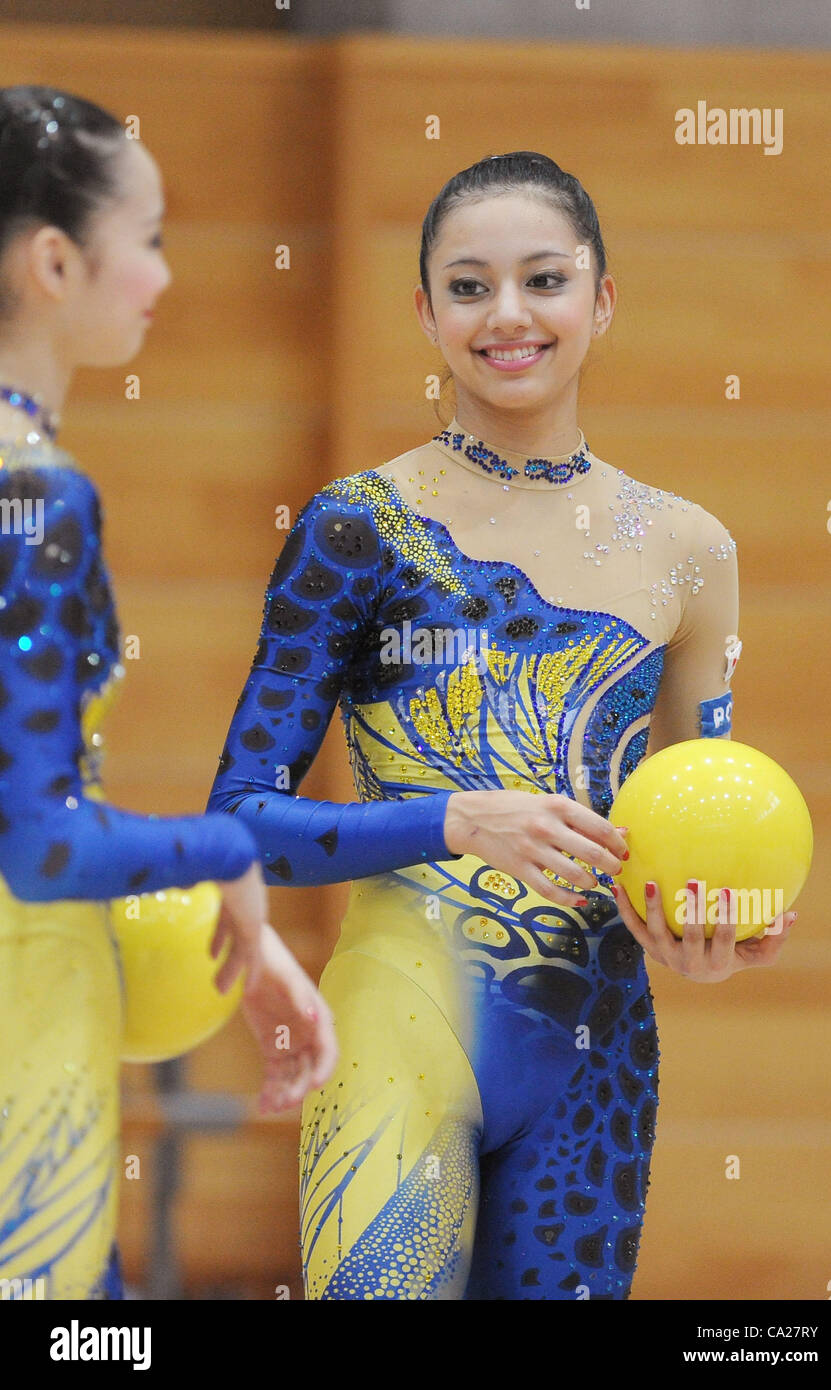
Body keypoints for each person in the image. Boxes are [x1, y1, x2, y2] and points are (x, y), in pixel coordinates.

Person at [207, 151, 796, 1301]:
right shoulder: (358, 529)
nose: (508, 315)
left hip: (595, 1055)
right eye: (469, 287)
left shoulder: (691, 550)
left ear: (602, 300)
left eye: (544, 279)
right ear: (425, 312)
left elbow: (694, 827)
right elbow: (241, 822)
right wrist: (454, 818)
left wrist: (704, 930)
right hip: (396, 1033)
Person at [0, 86, 337, 1301]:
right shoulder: (33, 495)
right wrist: (225, 851)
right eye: (146, 240)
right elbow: (37, 841)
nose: (160, 278)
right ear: (52, 260)